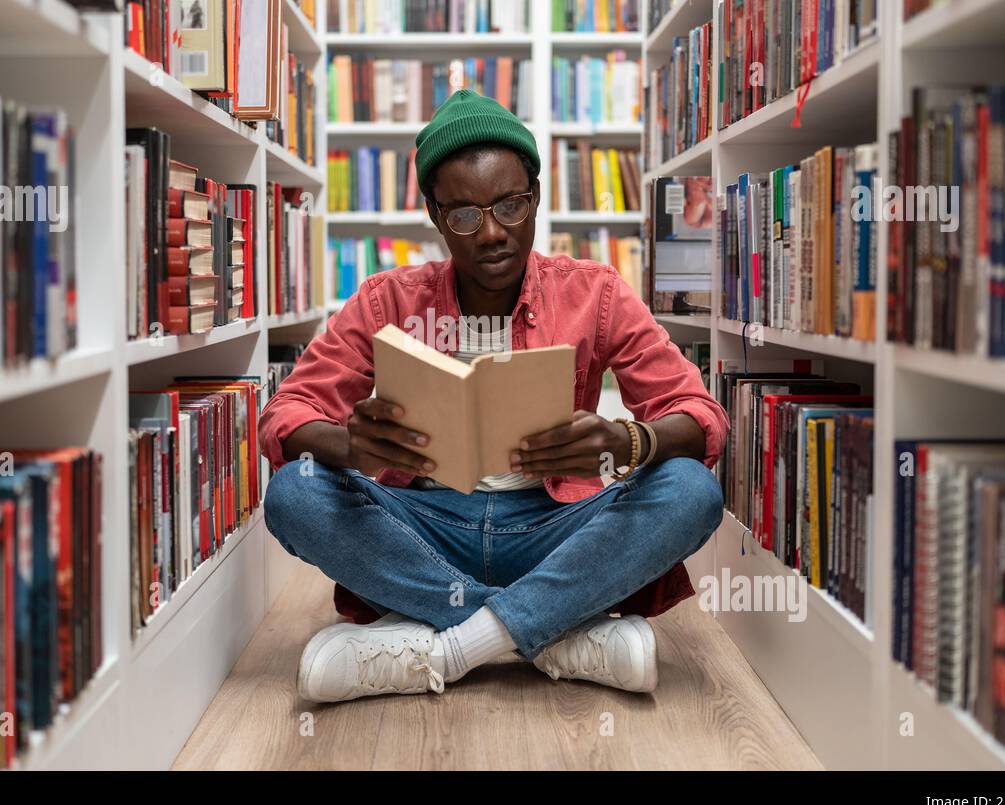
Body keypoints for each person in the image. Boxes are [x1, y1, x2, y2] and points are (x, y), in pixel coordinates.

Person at [260, 89, 729, 703]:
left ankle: (451, 645)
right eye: (463, 215)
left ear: (534, 195)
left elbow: (702, 417)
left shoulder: (595, 292)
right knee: (294, 491)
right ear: (434, 214)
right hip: (425, 533)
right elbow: (285, 415)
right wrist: (348, 445)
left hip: (555, 530)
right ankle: (550, 634)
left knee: (692, 491)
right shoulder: (387, 300)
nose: (491, 233)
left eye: (510, 205)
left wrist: (626, 440)